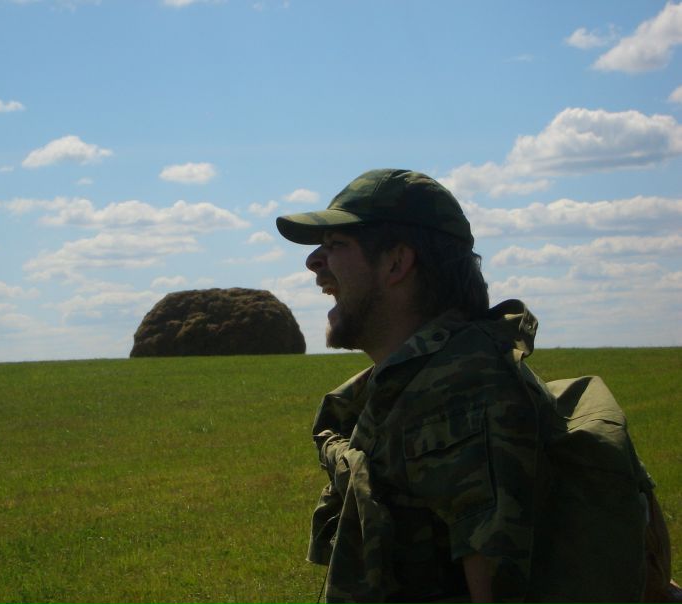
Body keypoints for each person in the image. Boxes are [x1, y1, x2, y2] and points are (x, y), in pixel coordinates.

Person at [275, 169, 678, 603]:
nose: (314, 261)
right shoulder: (425, 381)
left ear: (396, 263)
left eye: (336, 244)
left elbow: (497, 585)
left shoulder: (461, 396)